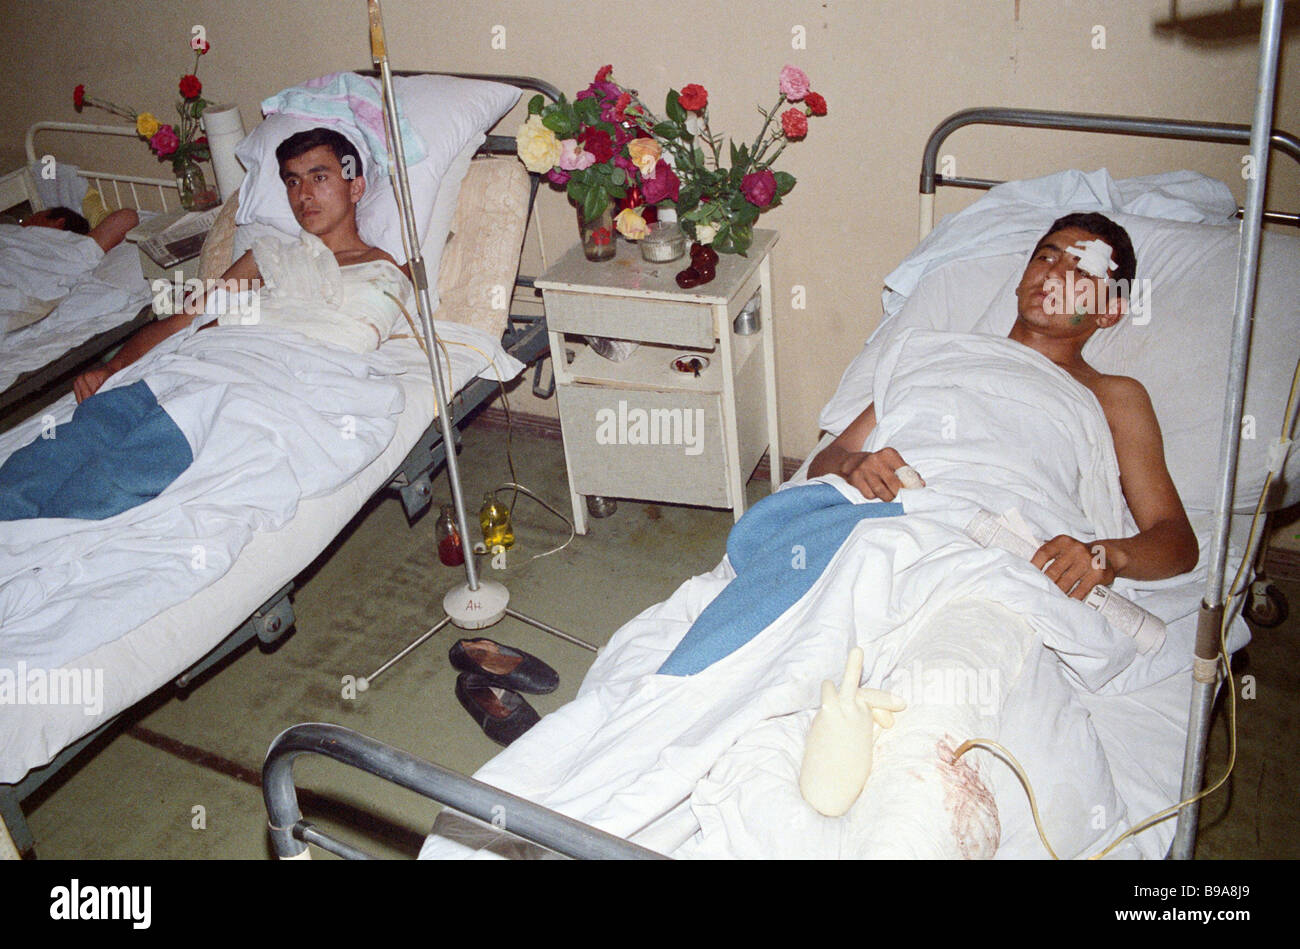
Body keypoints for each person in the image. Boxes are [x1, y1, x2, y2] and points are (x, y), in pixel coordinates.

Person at [809, 211, 1198, 601]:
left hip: (1006, 557)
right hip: (887, 520)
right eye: (1046, 258)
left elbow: (1176, 540)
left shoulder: (1113, 395)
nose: (1054, 275)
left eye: (1083, 273)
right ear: (1020, 282)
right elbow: (830, 458)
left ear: (1108, 312)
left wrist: (1108, 555)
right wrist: (853, 465)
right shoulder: (933, 355)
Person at [72, 127, 408, 403]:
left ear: (356, 187)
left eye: (319, 178)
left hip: (262, 391)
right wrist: (113, 367)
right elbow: (181, 325)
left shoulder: (380, 268)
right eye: (293, 182)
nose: (304, 194)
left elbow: (345, 341)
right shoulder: (268, 258)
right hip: (198, 371)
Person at [23, 205, 139, 253]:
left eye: (33, 218)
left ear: (59, 223)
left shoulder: (74, 251)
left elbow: (127, 217)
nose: (24, 222)